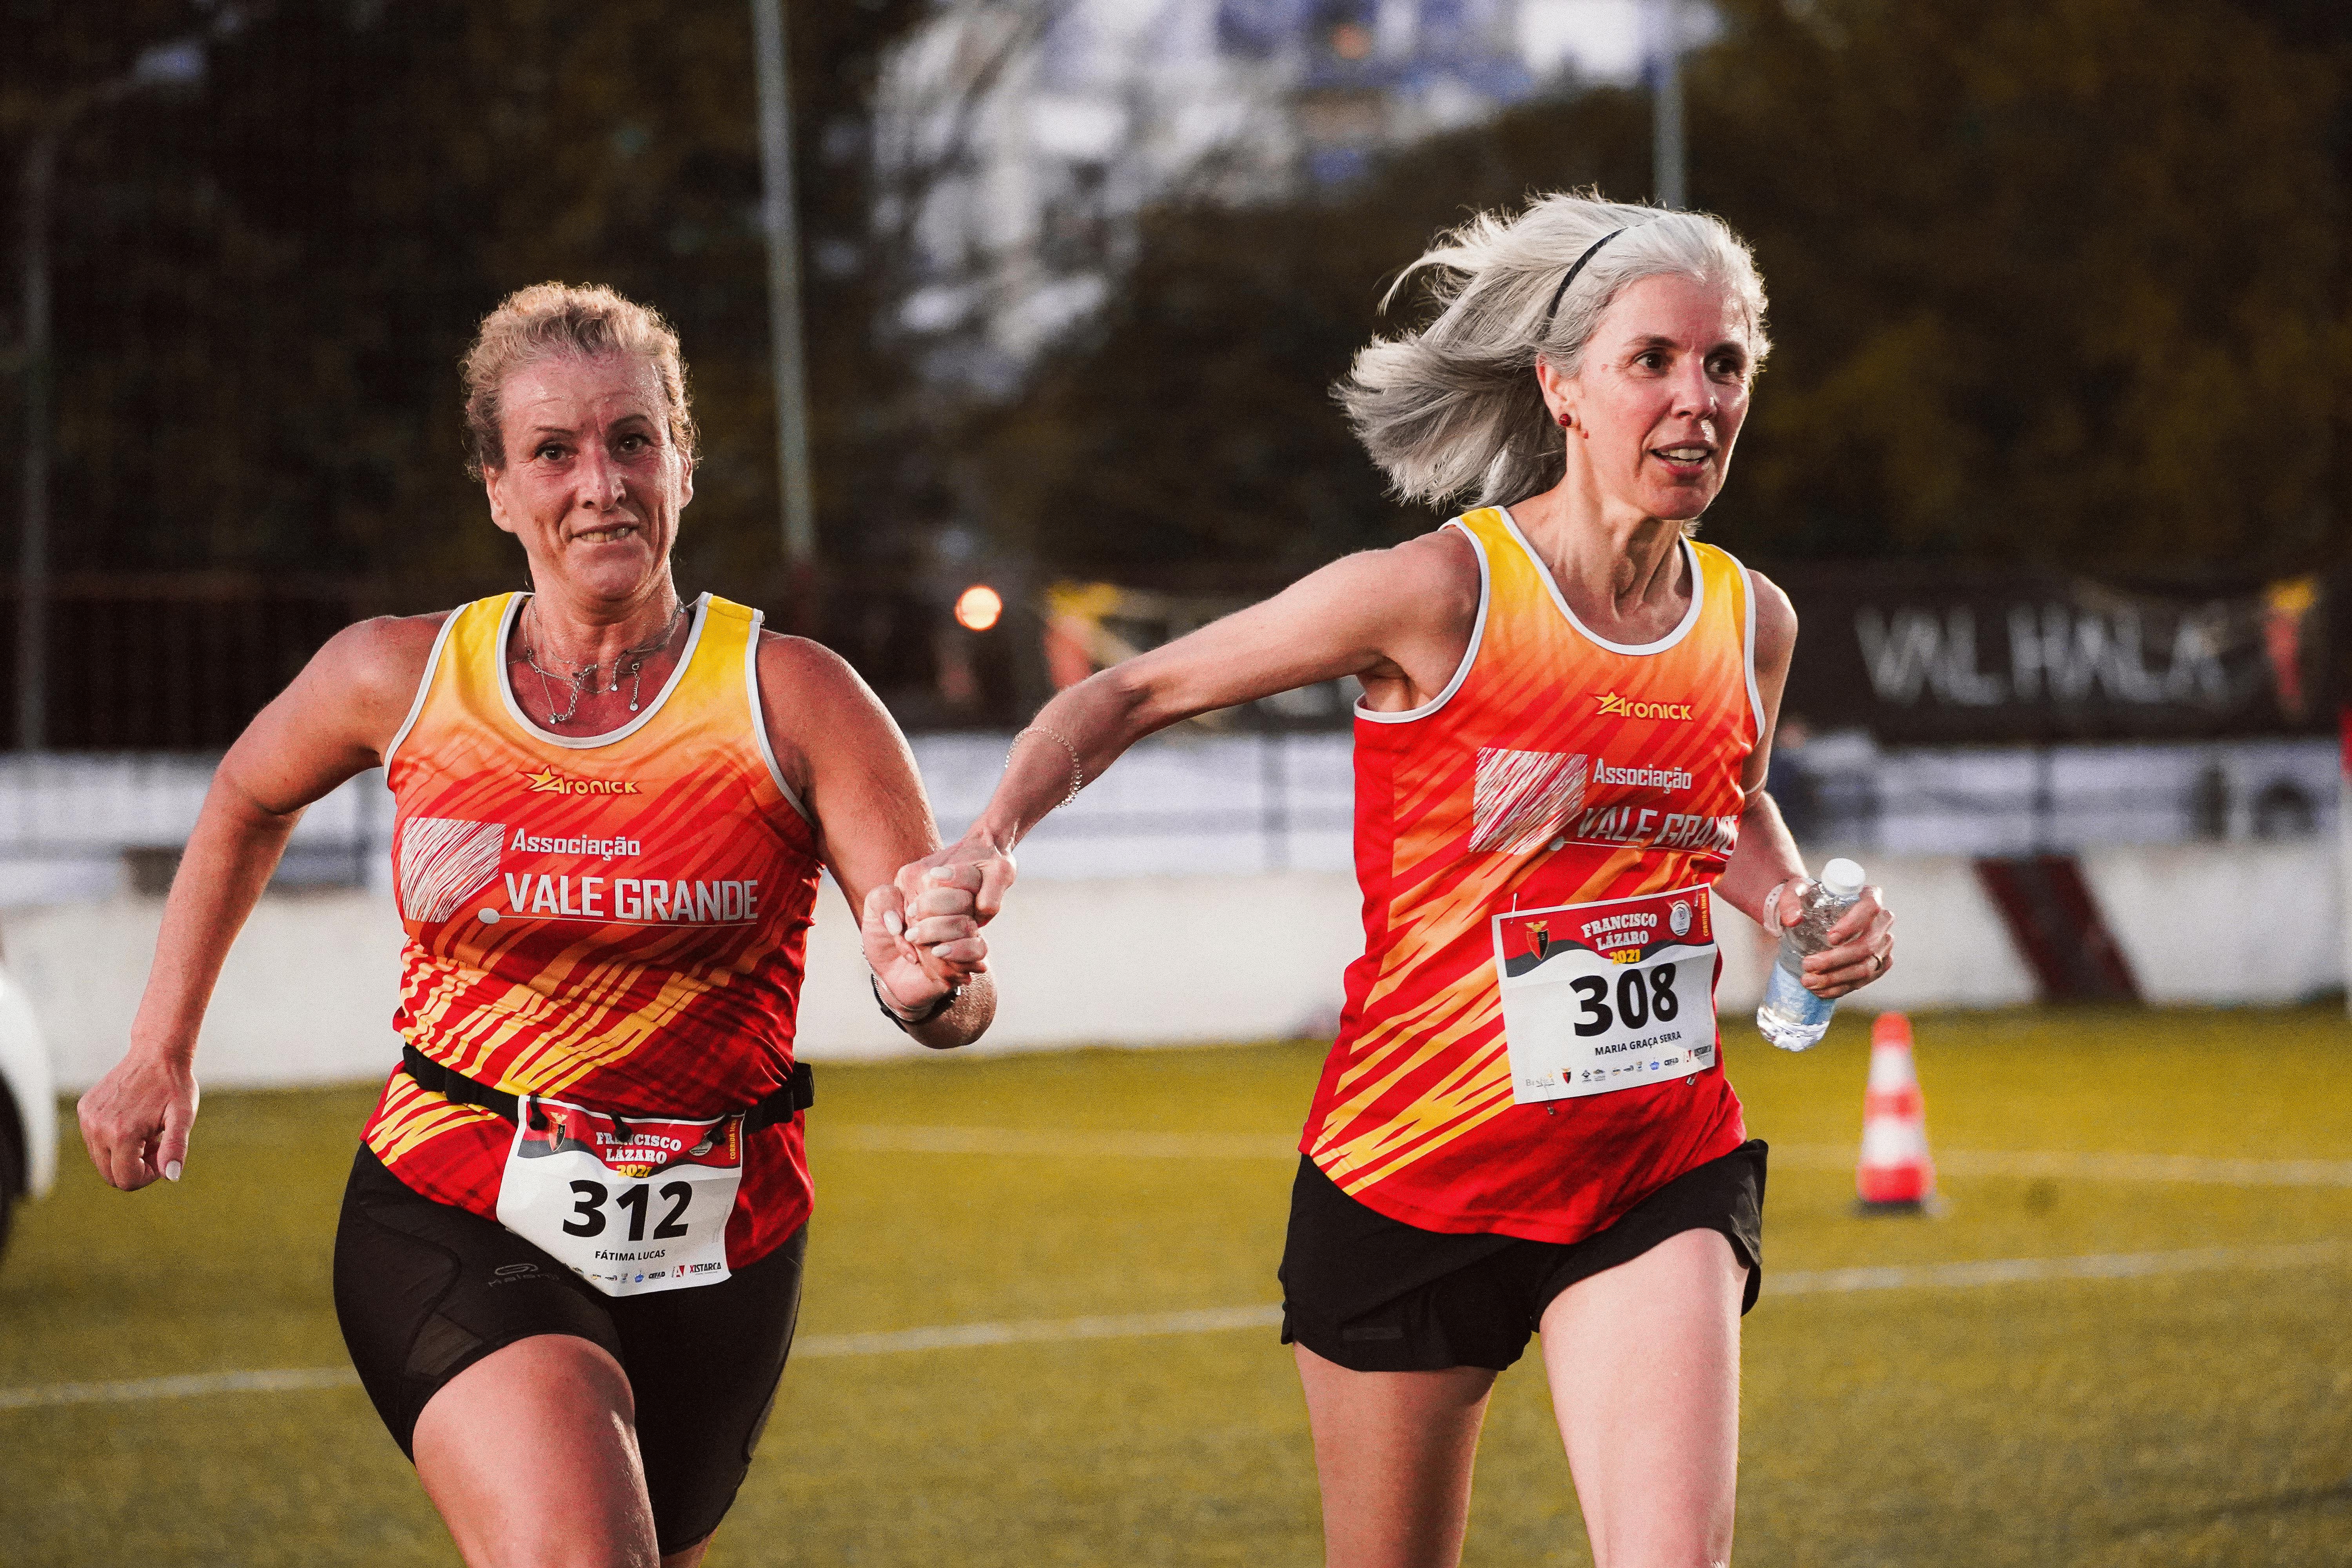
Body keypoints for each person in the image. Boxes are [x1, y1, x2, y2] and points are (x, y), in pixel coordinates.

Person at [898, 194, 1895, 1567]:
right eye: (1653, 360)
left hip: (1653, 1162)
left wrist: (1792, 905)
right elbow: (1135, 688)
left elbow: (1714, 802)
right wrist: (985, 841)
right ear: (1562, 387)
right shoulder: (1440, 594)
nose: (1697, 399)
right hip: (1412, 1174)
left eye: (1725, 367)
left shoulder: (1749, 620)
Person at [76, 283, 991, 1568]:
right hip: (454, 1199)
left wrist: (928, 985)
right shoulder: (397, 677)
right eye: (554, 451)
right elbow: (243, 797)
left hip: (724, 1243)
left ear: (682, 461)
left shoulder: (795, 698)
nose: (600, 483)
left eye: (631, 440)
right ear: (499, 489)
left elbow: (935, 972)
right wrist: (159, 1045)